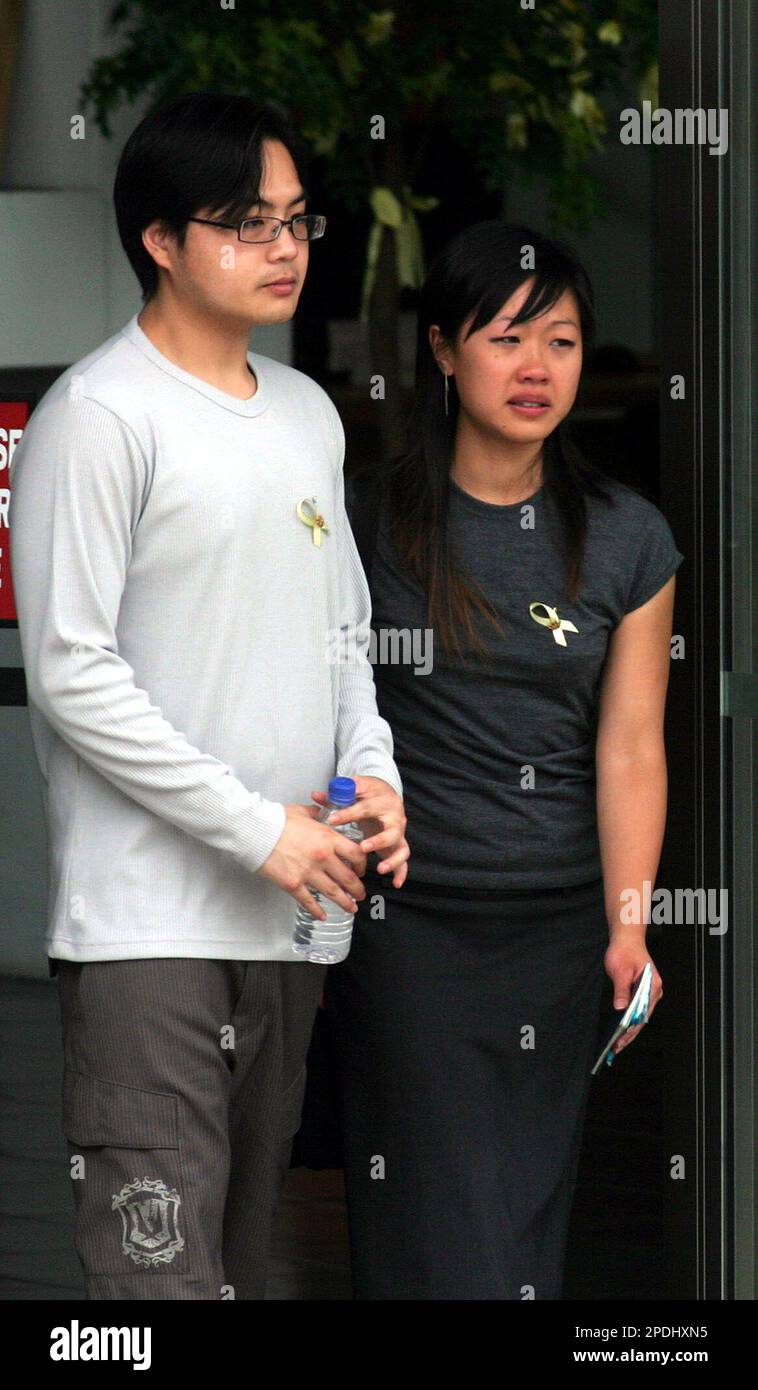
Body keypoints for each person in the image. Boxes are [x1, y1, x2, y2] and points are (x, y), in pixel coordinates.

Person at [8, 90, 407, 1301]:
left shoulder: (305, 414)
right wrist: (257, 829)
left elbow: (345, 633)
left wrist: (374, 771)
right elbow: (71, 672)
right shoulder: (97, 415)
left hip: (289, 923)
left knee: (238, 1261)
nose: (282, 247)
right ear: (161, 240)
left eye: (295, 221)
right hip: (149, 932)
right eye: (244, 222)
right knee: (154, 1280)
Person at [323, 220, 683, 1300]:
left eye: (562, 342)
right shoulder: (368, 522)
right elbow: (319, 703)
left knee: (524, 1206)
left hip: (556, 926)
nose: (535, 368)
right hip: (408, 924)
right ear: (441, 348)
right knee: (433, 1206)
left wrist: (627, 924)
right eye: (506, 336)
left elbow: (627, 748)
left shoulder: (626, 538)